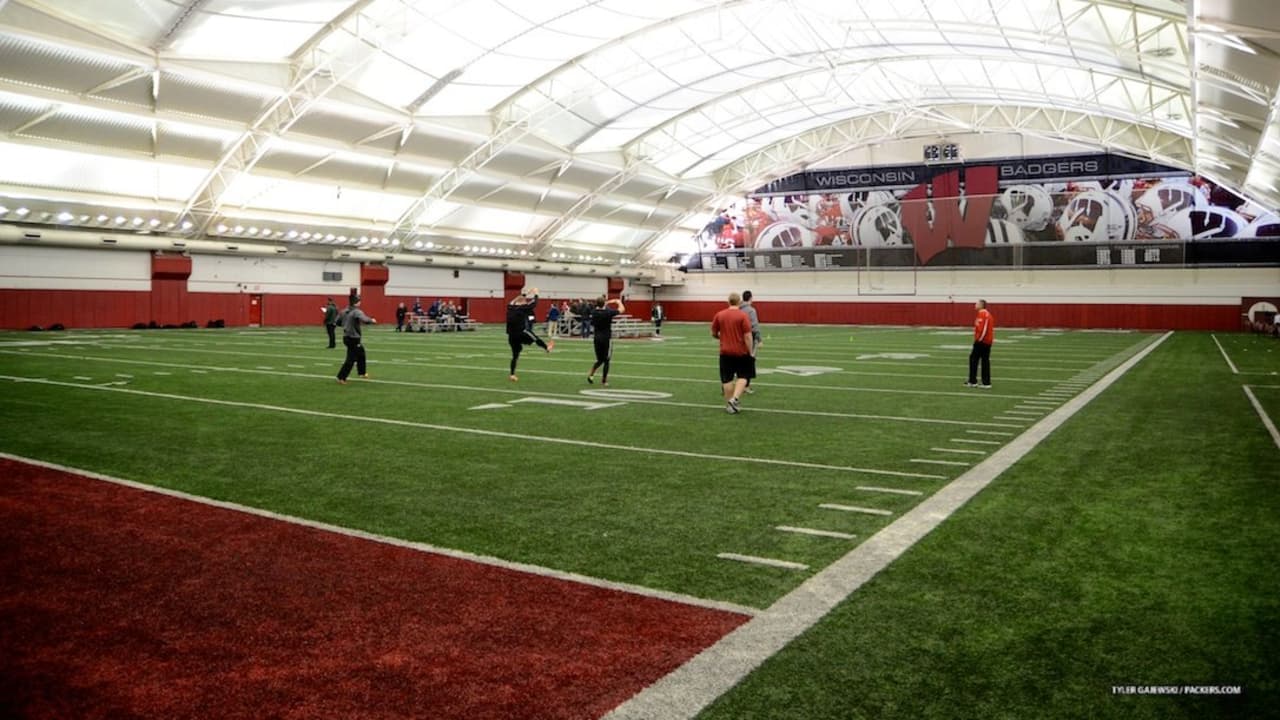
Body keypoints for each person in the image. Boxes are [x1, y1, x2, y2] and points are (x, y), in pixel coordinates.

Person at [711, 292, 754, 414]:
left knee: (727, 379)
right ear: (739, 302)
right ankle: (734, 399)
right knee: (744, 376)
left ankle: (730, 404)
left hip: (725, 352)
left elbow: (714, 333)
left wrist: (722, 338)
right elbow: (748, 336)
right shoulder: (743, 315)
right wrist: (750, 351)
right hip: (741, 352)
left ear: (728, 302)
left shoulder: (719, 315)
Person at [506, 287, 553, 381]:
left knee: (515, 355)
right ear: (523, 303)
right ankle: (546, 348)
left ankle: (512, 374)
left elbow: (515, 300)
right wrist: (536, 294)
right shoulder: (523, 308)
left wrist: (525, 294)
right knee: (535, 338)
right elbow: (534, 303)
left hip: (511, 335)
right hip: (522, 332)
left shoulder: (510, 307)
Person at [335, 296, 377, 384]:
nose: (360, 303)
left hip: (346, 337)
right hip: (353, 338)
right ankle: (341, 377)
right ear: (356, 303)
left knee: (361, 353)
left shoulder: (344, 311)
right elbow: (365, 320)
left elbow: (337, 322)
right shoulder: (356, 311)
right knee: (351, 358)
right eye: (359, 301)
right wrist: (372, 320)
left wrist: (346, 324)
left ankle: (362, 372)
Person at [586, 294, 626, 386]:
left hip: (596, 338)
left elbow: (597, 308)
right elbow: (622, 309)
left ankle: (591, 373)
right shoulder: (608, 312)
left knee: (600, 360)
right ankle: (604, 380)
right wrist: (618, 302)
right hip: (606, 338)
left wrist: (604, 302)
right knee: (607, 360)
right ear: (604, 304)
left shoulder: (594, 312)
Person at [966, 299, 995, 389]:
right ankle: (982, 382)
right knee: (981, 360)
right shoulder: (981, 314)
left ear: (982, 305)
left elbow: (984, 328)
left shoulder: (984, 314)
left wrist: (979, 339)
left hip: (982, 342)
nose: (975, 305)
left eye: (977, 303)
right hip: (983, 341)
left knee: (974, 359)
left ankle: (974, 381)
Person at [740, 290, 761, 393]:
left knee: (739, 361)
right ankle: (746, 385)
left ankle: (739, 383)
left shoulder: (737, 309)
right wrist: (759, 339)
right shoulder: (751, 310)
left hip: (738, 338)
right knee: (749, 361)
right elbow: (755, 326)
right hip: (749, 337)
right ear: (750, 298)